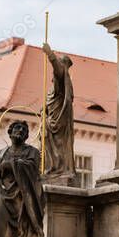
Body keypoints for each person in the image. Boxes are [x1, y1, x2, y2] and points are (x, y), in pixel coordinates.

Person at [42, 42, 75, 180]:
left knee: (60, 148)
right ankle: (52, 170)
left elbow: (58, 69)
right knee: (48, 149)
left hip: (59, 122)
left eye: (61, 64)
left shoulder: (61, 81)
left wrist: (50, 54)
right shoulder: (53, 88)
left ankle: (59, 171)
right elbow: (49, 105)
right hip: (51, 122)